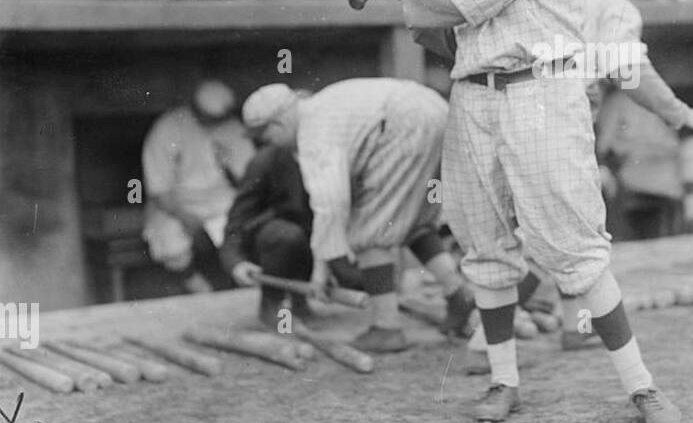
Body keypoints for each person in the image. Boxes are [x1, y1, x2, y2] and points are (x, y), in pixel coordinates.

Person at [362, 0, 686, 423]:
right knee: (482, 242)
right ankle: (504, 379)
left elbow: (467, 1)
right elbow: (439, 31)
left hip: (542, 87)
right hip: (475, 95)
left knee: (574, 243)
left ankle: (641, 387)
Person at [239, 79, 473, 353]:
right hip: (437, 110)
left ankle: (387, 328)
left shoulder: (313, 131)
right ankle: (458, 294)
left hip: (405, 124)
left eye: (266, 138)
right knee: (413, 222)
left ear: (278, 123)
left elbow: (331, 204)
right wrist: (325, 266)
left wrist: (319, 271)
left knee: (367, 233)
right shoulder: (324, 104)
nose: (270, 145)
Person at [579, 0, 693, 245]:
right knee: (574, 252)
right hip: (574, 134)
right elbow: (630, 73)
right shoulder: (611, 2)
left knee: (529, 242)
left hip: (517, 115)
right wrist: (680, 113)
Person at [141, 79, 254, 294]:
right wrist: (184, 216)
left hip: (221, 201)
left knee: (241, 239)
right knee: (171, 243)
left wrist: (228, 165)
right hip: (176, 202)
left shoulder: (233, 129)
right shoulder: (167, 128)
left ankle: (237, 291)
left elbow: (249, 179)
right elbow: (158, 187)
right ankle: (201, 291)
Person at [220, 135, 314, 328]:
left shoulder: (334, 154)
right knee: (285, 235)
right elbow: (237, 221)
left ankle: (300, 303)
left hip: (321, 244)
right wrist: (236, 263)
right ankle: (275, 310)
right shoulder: (266, 161)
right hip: (276, 246)